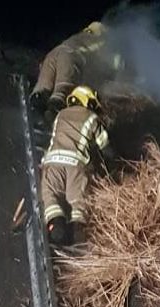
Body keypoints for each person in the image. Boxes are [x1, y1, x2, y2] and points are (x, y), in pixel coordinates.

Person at [40, 86, 113, 246]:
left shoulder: (61, 114)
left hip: (53, 162)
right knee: (78, 202)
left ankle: (55, 227)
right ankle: (76, 235)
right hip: (76, 164)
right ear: (89, 102)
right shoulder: (92, 117)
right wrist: (111, 167)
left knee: (50, 195)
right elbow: (105, 147)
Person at [30, 22, 108, 122]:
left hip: (53, 54)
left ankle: (35, 107)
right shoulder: (101, 42)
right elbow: (110, 66)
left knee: (42, 89)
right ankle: (53, 120)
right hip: (71, 57)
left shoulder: (79, 36)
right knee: (61, 94)